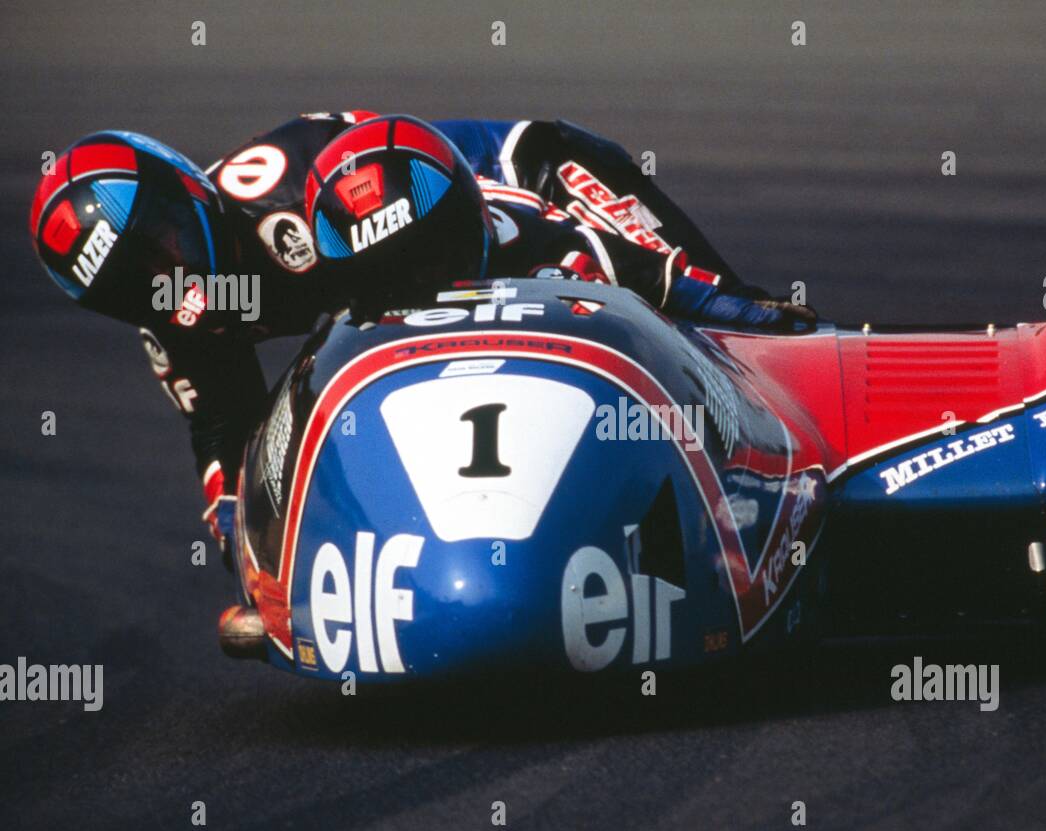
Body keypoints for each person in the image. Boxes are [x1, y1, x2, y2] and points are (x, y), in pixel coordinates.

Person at [29, 112, 812, 581]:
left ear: (182, 189)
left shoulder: (283, 210)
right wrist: (240, 526)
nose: (168, 275)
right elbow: (221, 429)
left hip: (503, 182)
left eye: (160, 242)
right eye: (133, 283)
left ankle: (782, 397)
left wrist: (688, 290)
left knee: (710, 311)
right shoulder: (172, 317)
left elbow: (511, 222)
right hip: (426, 239)